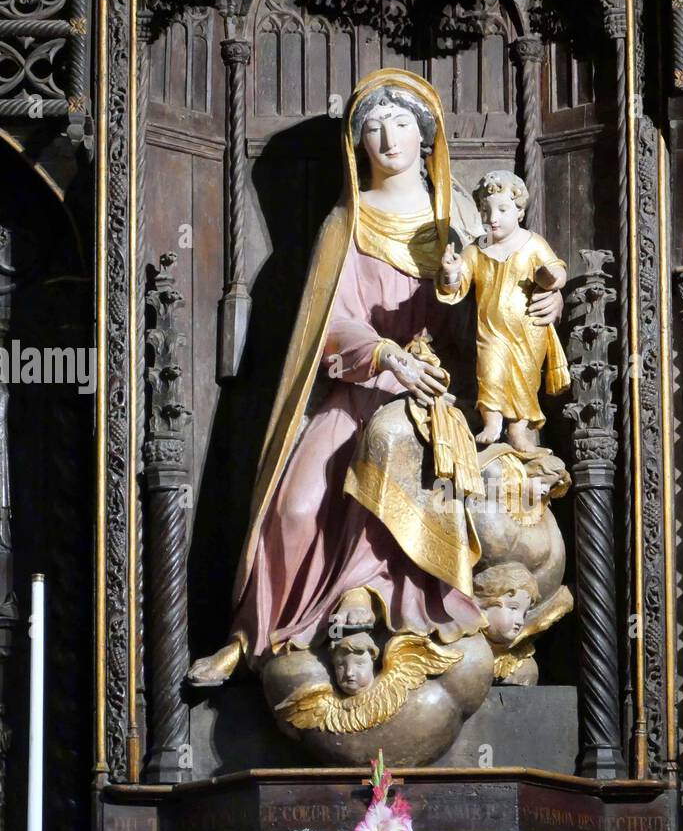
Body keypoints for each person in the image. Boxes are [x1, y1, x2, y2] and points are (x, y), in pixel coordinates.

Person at [188, 71, 563, 686]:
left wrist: (550, 304)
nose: (388, 139)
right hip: (359, 388)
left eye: (402, 126)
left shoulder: (461, 216)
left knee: (400, 464)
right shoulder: (346, 224)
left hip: (446, 396)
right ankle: (256, 639)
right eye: (373, 128)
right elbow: (330, 324)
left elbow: (516, 283)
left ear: (425, 137)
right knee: (294, 507)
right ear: (357, 143)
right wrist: (385, 356)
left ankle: (404, 624)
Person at [437, 169, 569, 453]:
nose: (492, 217)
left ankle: (518, 430)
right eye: (486, 210)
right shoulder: (476, 250)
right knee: (491, 373)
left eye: (502, 209)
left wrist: (552, 279)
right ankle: (492, 423)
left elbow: (557, 270)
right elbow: (456, 287)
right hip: (491, 333)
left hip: (529, 329)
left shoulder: (532, 243)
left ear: (519, 212)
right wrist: (449, 273)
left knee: (525, 377)